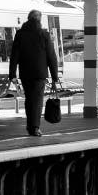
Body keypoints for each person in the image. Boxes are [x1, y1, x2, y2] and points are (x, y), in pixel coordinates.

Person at [8, 9, 59, 137]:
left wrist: (12, 74)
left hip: (25, 73)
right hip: (39, 74)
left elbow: (14, 56)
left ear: (28, 19)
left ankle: (30, 126)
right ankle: (34, 127)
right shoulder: (44, 34)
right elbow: (51, 57)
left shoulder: (20, 34)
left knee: (29, 100)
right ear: (39, 20)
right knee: (37, 101)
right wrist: (54, 76)